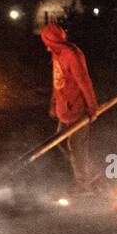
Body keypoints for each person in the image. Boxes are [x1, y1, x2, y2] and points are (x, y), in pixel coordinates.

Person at [40, 23, 102, 194]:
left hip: (77, 109)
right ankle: (92, 175)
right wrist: (54, 103)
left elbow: (84, 82)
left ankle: (84, 185)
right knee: (62, 143)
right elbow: (57, 80)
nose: (45, 44)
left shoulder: (72, 55)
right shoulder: (55, 53)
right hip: (64, 109)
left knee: (77, 147)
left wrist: (92, 107)